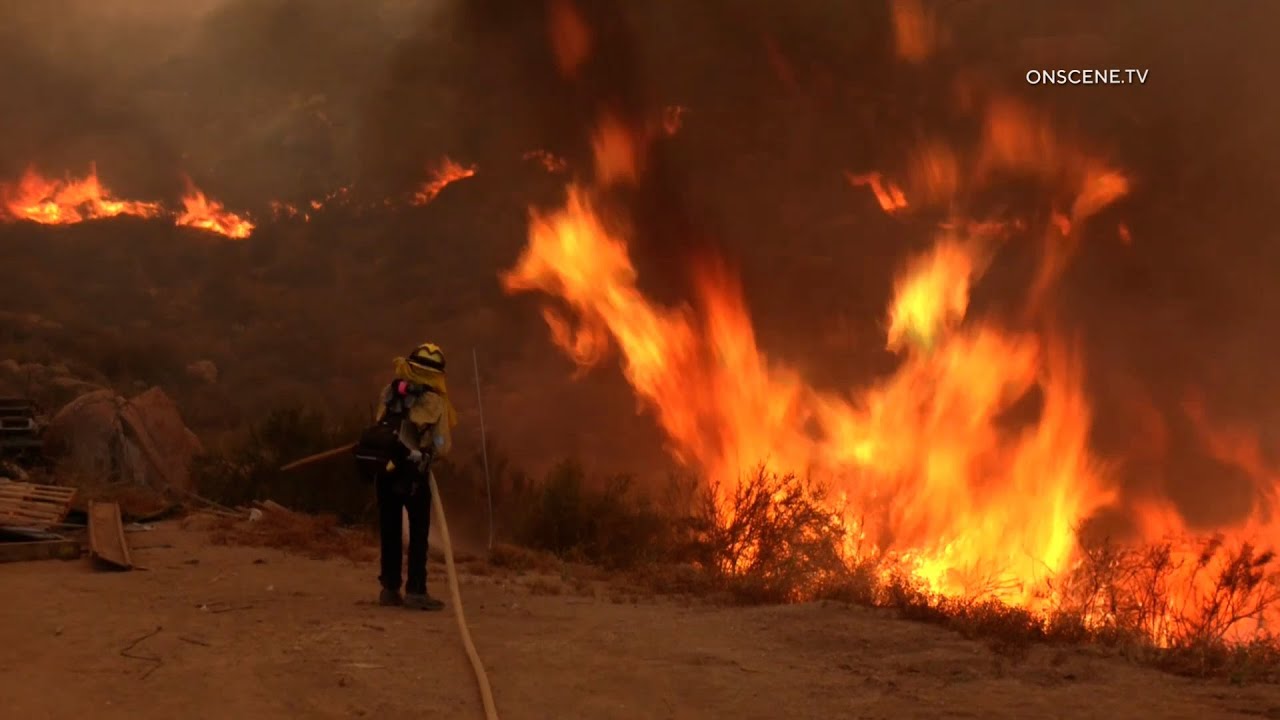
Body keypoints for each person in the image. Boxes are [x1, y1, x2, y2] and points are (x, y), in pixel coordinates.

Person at [371, 342, 458, 611]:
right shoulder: (436, 401)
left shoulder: (391, 392)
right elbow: (442, 446)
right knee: (419, 532)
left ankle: (389, 589)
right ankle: (416, 590)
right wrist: (428, 454)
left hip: (385, 471)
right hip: (414, 475)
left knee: (390, 530)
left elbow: (379, 425)